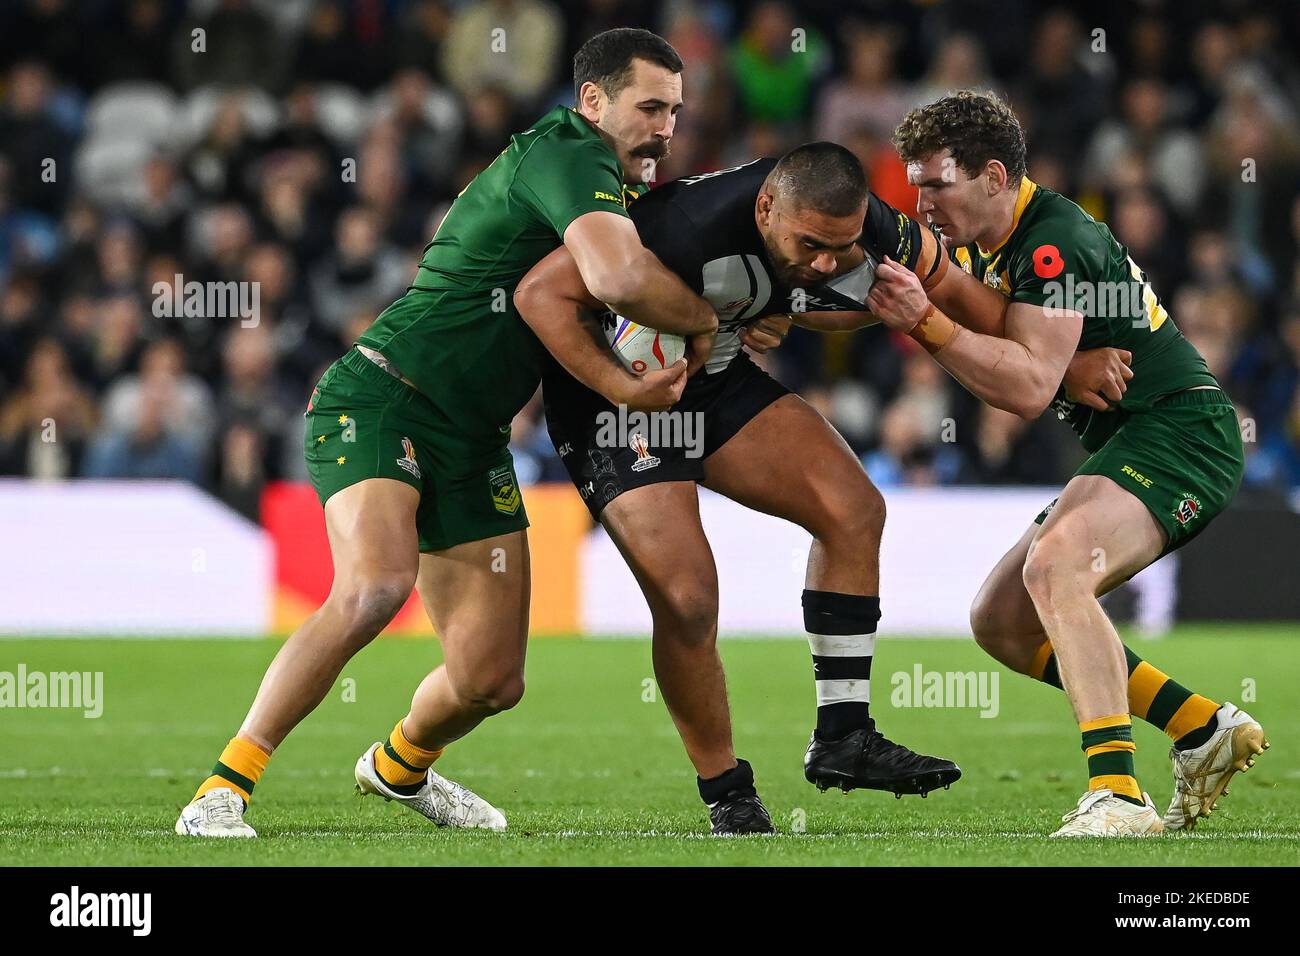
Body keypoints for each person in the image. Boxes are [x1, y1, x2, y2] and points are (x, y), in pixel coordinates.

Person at [175, 28, 717, 838]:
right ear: (593, 101)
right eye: (649, 107)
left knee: (493, 679)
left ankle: (398, 768)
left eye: (675, 110)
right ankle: (223, 786)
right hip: (383, 398)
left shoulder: (614, 189)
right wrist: (712, 321)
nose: (666, 127)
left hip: (472, 438)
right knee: (374, 586)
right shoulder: (569, 152)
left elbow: (562, 303)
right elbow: (618, 279)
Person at [517, 143, 1109, 833]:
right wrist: (624, 383)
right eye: (810, 245)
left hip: (713, 378)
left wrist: (1061, 355)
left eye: (842, 247)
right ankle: (728, 793)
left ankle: (844, 737)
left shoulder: (872, 229)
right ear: (765, 207)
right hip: (614, 403)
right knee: (687, 598)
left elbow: (954, 293)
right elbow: (540, 293)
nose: (828, 263)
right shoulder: (682, 224)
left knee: (853, 510)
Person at [861, 90, 1267, 837]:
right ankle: (1202, 726)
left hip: (1181, 434)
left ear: (991, 175)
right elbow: (1002, 321)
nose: (921, 203)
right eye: (915, 186)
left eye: (934, 184)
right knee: (1002, 620)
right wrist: (1060, 358)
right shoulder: (1001, 235)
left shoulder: (1056, 243)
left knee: (1055, 568)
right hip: (1138, 435)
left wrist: (924, 321)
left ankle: (1117, 794)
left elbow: (1020, 388)